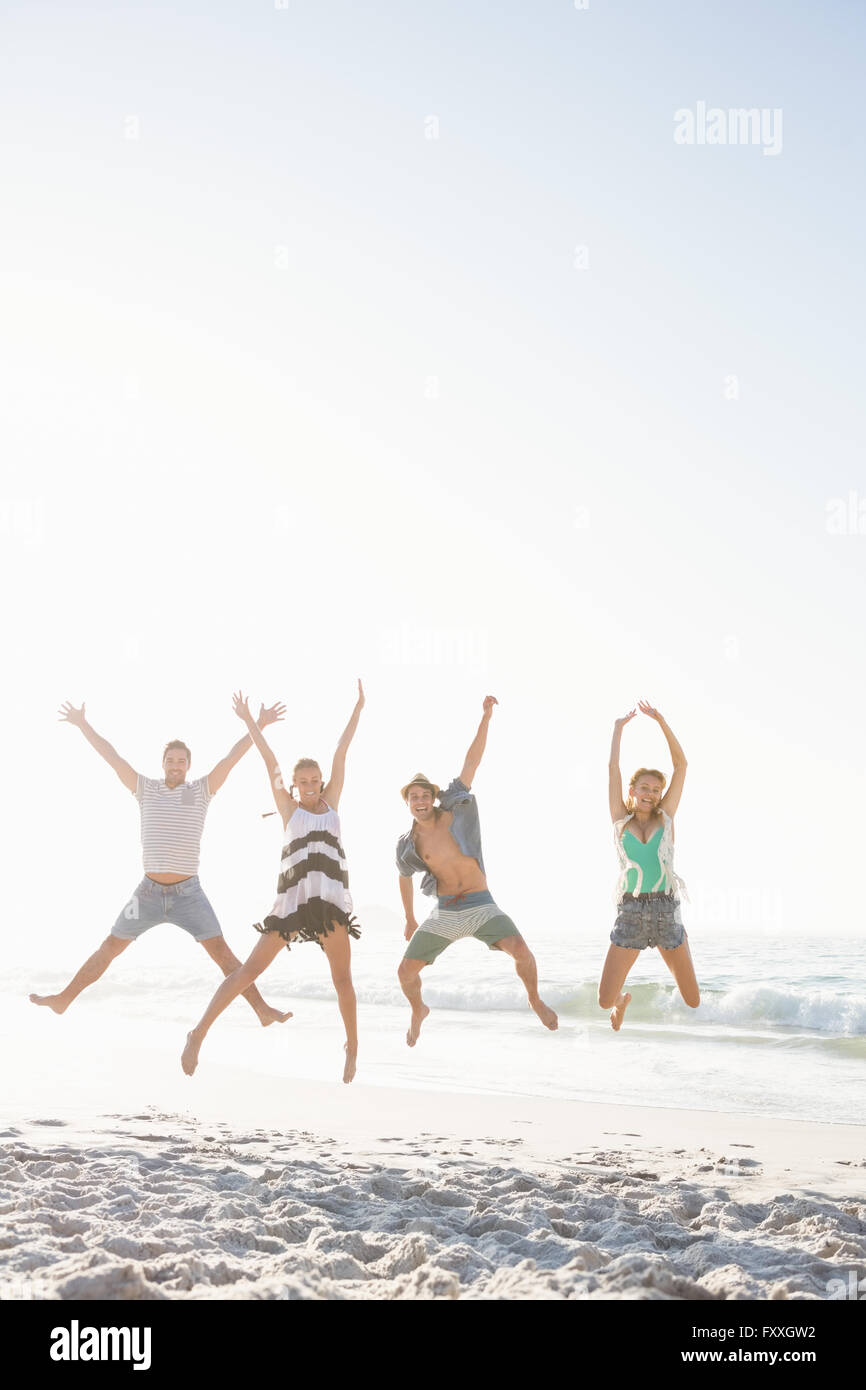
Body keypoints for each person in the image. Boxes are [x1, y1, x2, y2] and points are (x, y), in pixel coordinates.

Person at [30, 698, 292, 1029]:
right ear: (163, 763)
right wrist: (84, 725)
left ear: (189, 765)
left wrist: (258, 724)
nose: (176, 765)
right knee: (110, 946)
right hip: (148, 894)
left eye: (181, 761)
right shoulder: (146, 789)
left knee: (224, 955)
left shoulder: (200, 791)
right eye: (170, 760)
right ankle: (64, 998)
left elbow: (231, 759)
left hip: (189, 895)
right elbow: (113, 758)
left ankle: (262, 1010)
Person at [181, 681, 364, 1084]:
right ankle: (198, 1032)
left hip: (330, 902)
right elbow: (269, 761)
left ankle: (352, 1046)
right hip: (293, 905)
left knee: (342, 980)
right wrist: (250, 721)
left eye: (317, 779)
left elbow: (342, 751)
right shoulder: (287, 807)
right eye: (305, 781)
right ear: (295, 786)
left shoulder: (332, 803)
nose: (312, 785)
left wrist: (358, 709)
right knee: (248, 971)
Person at [396, 695, 558, 1047]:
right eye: (414, 797)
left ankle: (534, 999)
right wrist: (409, 917)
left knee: (522, 950)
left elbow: (472, 761)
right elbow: (403, 876)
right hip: (446, 911)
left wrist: (485, 717)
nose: (420, 801)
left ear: (433, 797)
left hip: (481, 904)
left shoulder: (456, 808)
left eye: (425, 795)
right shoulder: (408, 843)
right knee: (405, 972)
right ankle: (417, 1009)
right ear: (407, 803)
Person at [599, 699, 700, 1031]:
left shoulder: (665, 818)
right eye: (645, 788)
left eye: (657, 790)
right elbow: (613, 770)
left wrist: (660, 721)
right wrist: (617, 730)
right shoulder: (620, 821)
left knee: (692, 999)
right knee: (603, 1000)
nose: (651, 794)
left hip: (666, 911)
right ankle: (620, 1005)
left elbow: (682, 765)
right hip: (631, 912)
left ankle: (674, 944)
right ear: (633, 790)